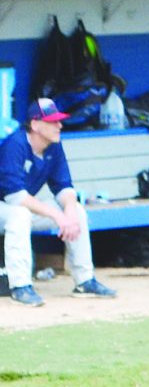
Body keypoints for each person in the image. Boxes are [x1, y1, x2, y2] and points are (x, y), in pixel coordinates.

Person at [0, 98, 116, 307]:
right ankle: (20, 286)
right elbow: (14, 196)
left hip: (18, 209)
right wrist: (57, 216)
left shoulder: (53, 146)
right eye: (52, 121)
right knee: (20, 214)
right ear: (35, 125)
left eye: (58, 121)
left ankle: (84, 281)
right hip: (7, 207)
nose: (59, 126)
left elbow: (64, 186)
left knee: (77, 211)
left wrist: (69, 213)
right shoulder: (15, 144)